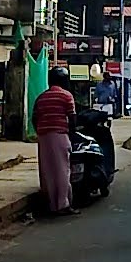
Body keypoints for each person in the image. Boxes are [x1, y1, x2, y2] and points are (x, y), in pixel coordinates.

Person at [34, 66, 79, 216]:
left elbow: (35, 118)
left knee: (47, 172)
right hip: (60, 135)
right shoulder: (66, 96)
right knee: (62, 170)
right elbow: (72, 117)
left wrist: (40, 131)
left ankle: (51, 204)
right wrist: (72, 134)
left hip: (43, 136)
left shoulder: (41, 97)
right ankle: (63, 204)